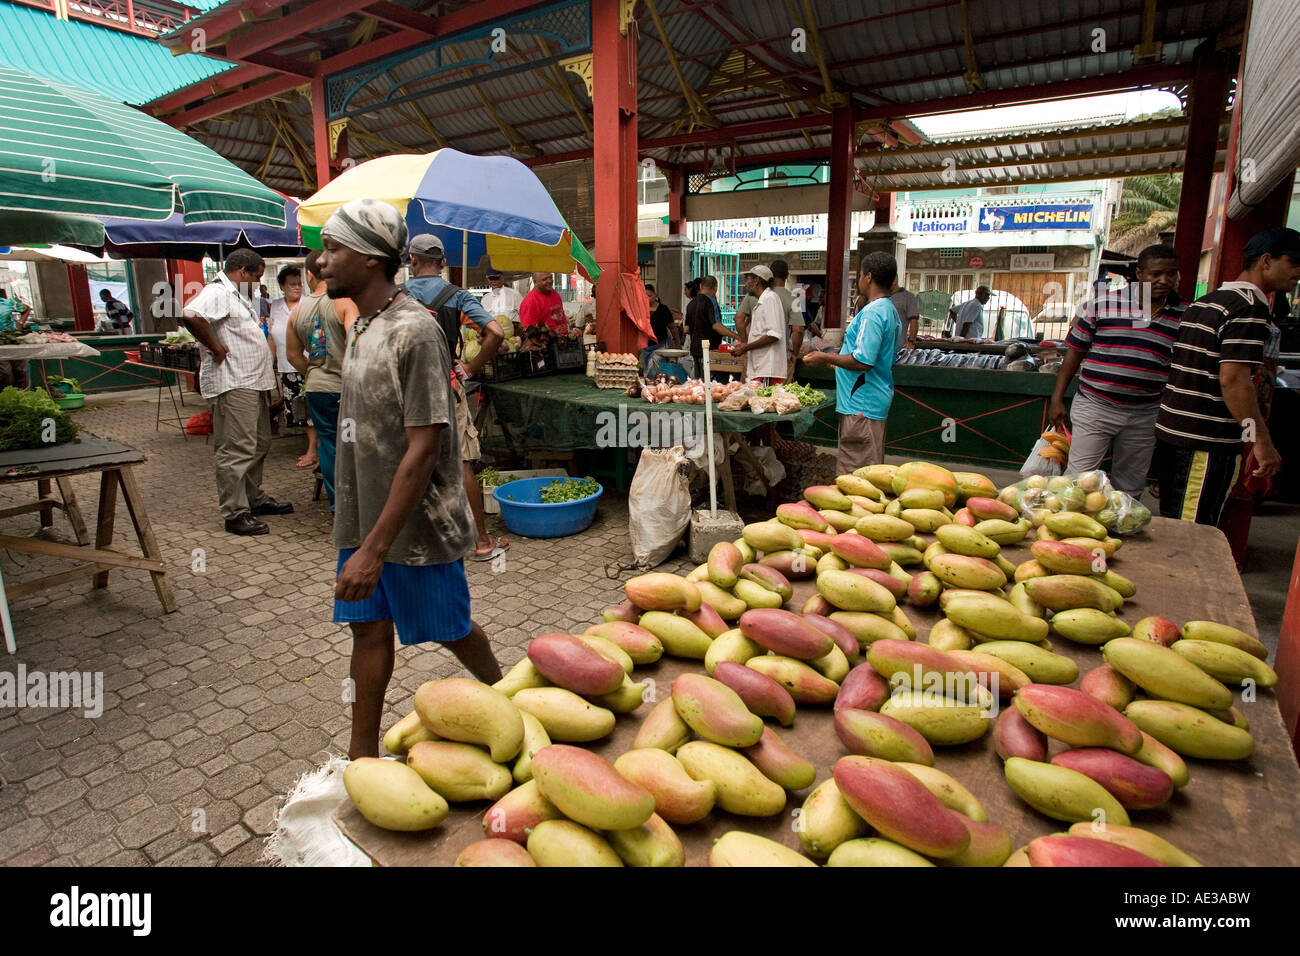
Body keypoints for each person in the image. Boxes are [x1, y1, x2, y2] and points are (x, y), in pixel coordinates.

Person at [318, 198, 503, 758]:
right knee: (368, 632)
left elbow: (425, 449)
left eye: (332, 249)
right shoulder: (364, 325)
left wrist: (375, 550)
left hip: (413, 529)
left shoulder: (415, 332)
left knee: (451, 628)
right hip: (365, 520)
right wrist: (362, 537)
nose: (320, 262)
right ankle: (361, 760)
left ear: (373, 259)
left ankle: (513, 702)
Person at [1152, 227, 1300, 525]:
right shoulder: (1248, 308)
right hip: (1204, 442)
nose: (1297, 272)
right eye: (1294, 263)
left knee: (1174, 523)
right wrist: (1261, 441)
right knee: (1192, 533)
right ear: (1266, 261)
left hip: (1173, 433)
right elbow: (1233, 381)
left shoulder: (1206, 302)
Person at [1047, 244, 1184, 495]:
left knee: (1129, 486)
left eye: (1171, 274)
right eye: (1156, 274)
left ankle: (1121, 530)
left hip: (1145, 413)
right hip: (1095, 406)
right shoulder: (1103, 305)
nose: (1164, 281)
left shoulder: (1185, 315)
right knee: (1079, 480)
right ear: (1140, 274)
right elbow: (1075, 352)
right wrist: (1057, 398)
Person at [404, 234, 509, 561]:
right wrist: (472, 367)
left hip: (405, 390)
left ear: (413, 261)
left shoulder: (396, 296)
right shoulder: (458, 297)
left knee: (411, 459)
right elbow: (496, 332)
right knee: (461, 461)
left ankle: (417, 540)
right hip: (447, 386)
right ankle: (480, 541)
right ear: (443, 264)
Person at [181, 249, 293, 535]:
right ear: (242, 271)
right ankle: (235, 512)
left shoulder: (238, 296)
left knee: (258, 444)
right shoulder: (217, 291)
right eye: (256, 277)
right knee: (237, 448)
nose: (258, 283)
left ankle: (253, 498)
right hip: (235, 382)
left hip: (252, 380)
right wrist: (216, 348)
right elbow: (190, 315)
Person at [801, 252, 901, 473]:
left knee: (856, 476)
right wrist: (839, 364)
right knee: (867, 472)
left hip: (862, 406)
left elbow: (863, 361)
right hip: (868, 401)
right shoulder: (888, 309)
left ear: (868, 277)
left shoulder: (873, 313)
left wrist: (825, 357)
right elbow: (872, 356)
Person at [285, 250, 357, 492]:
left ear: (309, 274)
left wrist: (314, 370)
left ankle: (337, 503)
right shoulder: (344, 302)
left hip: (317, 388)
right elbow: (356, 340)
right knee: (350, 442)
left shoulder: (297, 311)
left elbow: (293, 355)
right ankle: (354, 502)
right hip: (344, 388)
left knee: (327, 445)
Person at [730, 265, 786, 385]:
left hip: (768, 368)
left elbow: (774, 334)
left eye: (748, 279)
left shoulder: (770, 299)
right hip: (761, 367)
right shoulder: (763, 301)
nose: (746, 284)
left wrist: (746, 347)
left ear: (757, 280)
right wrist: (745, 346)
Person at [268, 264, 308, 429]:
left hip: (306, 364)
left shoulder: (308, 304)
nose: (297, 287)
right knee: (296, 408)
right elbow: (272, 336)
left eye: (299, 283)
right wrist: (269, 361)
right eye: (292, 284)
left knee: (310, 409)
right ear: (282, 286)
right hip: (286, 366)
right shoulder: (276, 306)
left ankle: (313, 448)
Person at [686, 275, 733, 378]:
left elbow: (686, 329)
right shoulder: (711, 301)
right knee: (710, 383)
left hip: (695, 349)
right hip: (709, 349)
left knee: (699, 382)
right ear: (716, 288)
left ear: (701, 286)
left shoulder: (691, 304)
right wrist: (736, 336)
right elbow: (716, 326)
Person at [640, 284, 680, 375]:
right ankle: (651, 388)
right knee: (647, 370)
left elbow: (673, 328)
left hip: (661, 345)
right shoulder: (641, 310)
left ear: (655, 295)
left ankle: (657, 386)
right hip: (646, 346)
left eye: (649, 296)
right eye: (644, 296)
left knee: (654, 368)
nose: (647, 298)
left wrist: (677, 343)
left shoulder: (663, 309)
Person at [0, 288, 33, 389]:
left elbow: (26, 309)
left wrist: (20, 323)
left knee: (21, 370)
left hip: (12, 338)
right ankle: (7, 395)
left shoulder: (7, 303)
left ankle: (22, 394)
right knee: (5, 372)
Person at [891, 280, 921, 350]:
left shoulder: (908, 297)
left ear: (894, 281)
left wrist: (911, 341)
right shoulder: (881, 295)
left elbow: (914, 321)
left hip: (898, 348)